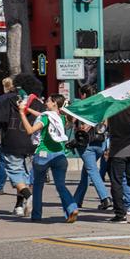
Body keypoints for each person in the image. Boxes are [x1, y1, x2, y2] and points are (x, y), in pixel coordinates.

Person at [17, 93, 77, 222]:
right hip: (60, 155)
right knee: (60, 185)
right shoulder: (61, 118)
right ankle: (72, 208)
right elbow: (43, 115)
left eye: (48, 101)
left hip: (43, 155)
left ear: (54, 103)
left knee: (38, 185)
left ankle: (37, 215)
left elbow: (30, 130)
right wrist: (27, 109)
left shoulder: (46, 117)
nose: (46, 103)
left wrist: (22, 114)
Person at [0, 78, 34, 212]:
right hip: (31, 142)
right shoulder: (33, 100)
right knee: (25, 175)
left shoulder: (3, 100)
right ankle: (19, 205)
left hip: (12, 140)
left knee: (15, 173)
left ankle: (28, 197)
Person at [70, 88, 110, 214]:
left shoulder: (82, 106)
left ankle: (105, 198)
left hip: (85, 144)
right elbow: (105, 125)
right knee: (86, 173)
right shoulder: (101, 107)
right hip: (100, 143)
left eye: (81, 94)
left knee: (92, 171)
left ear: (84, 94)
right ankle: (77, 200)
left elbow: (73, 123)